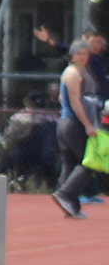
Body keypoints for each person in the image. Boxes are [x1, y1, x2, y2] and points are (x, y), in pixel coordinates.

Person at [52, 39, 99, 220]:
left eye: (85, 54)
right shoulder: (73, 73)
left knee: (69, 163)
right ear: (72, 55)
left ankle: (70, 205)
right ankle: (65, 193)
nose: (83, 57)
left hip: (66, 122)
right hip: (73, 123)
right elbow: (75, 102)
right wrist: (88, 125)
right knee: (88, 163)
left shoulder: (76, 72)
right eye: (79, 53)